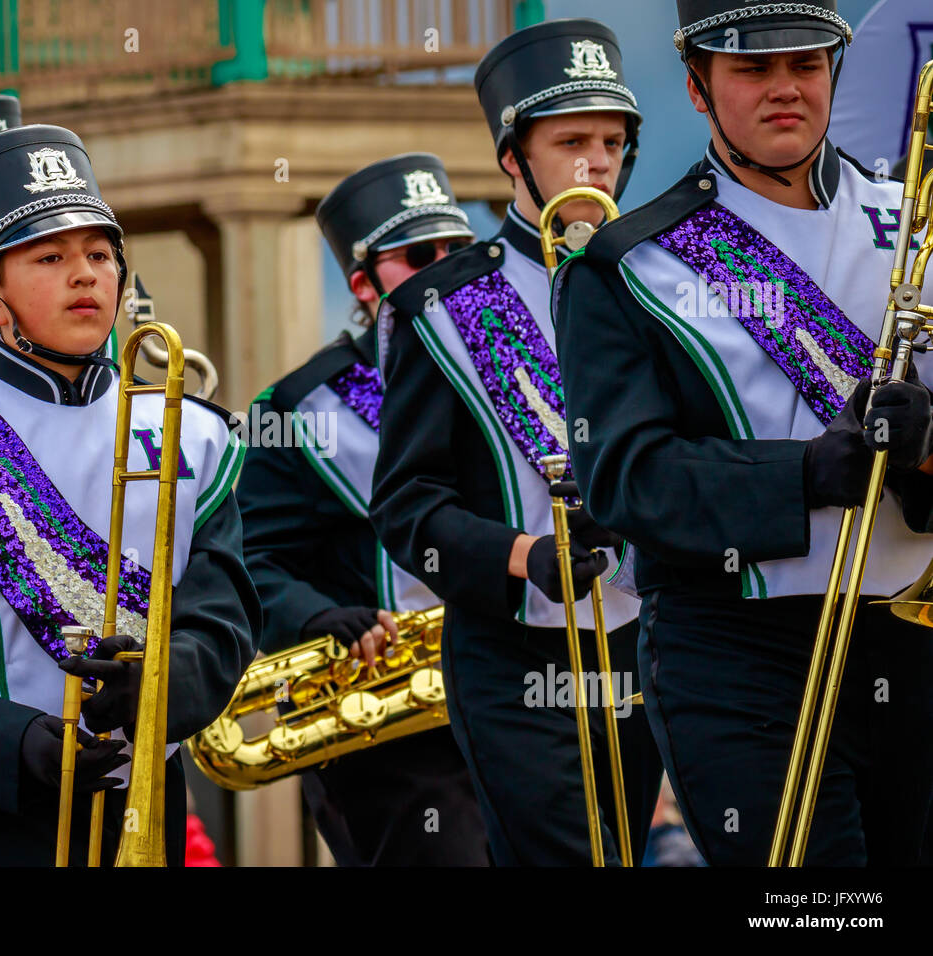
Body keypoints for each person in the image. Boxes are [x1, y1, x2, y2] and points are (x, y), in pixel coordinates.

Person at [553, 0, 933, 865]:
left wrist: (926, 439)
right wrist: (805, 474)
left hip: (909, 641)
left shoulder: (917, 227)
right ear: (696, 84)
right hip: (737, 656)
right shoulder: (627, 267)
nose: (785, 90)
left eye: (805, 65)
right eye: (752, 70)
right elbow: (623, 477)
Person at [0, 124, 261, 866]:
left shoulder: (193, 435)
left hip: (154, 797)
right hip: (12, 818)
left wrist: (155, 687)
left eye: (100, 255)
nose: (85, 275)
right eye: (49, 258)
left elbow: (225, 620)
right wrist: (16, 744)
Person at [369, 19, 662, 865]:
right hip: (513, 653)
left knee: (625, 851)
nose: (597, 161)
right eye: (571, 140)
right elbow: (407, 507)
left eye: (612, 140)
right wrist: (522, 554)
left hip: (645, 636)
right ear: (513, 159)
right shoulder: (439, 307)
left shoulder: (660, 282)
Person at [236, 154, 490, 866]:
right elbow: (251, 561)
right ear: (362, 282)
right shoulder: (299, 408)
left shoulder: (516, 372)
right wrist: (314, 617)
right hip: (389, 718)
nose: (444, 270)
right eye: (418, 256)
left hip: (514, 688)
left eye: (457, 250)